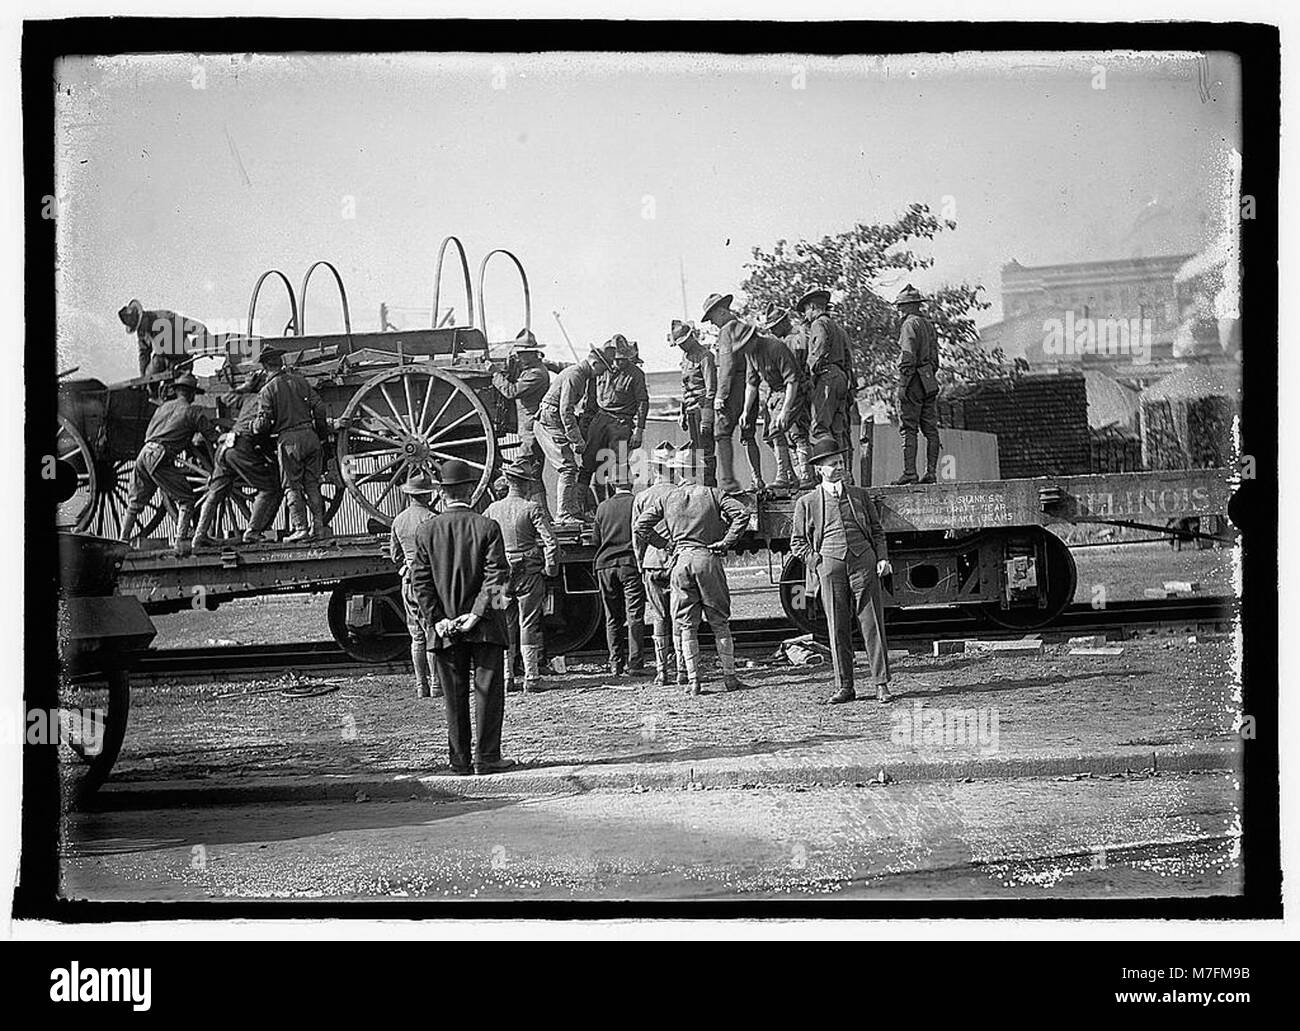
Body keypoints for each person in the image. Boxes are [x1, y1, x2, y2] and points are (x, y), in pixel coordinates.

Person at [409, 458, 514, 776]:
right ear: (471, 489)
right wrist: (477, 615)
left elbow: (420, 582)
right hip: (485, 628)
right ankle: (487, 757)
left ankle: (459, 761)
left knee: (453, 698)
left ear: (441, 493)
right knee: (489, 692)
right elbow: (499, 579)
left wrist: (437, 620)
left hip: (444, 629)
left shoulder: (426, 530)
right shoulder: (487, 527)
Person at [632, 445, 751, 695]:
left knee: (686, 624)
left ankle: (694, 680)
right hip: (707, 559)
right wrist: (726, 542)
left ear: (677, 470)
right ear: (699, 469)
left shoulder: (668, 498)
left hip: (679, 562)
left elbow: (641, 527)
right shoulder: (713, 494)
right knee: (719, 621)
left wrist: (666, 544)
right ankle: (730, 677)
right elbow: (742, 514)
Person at [790, 437, 894, 705]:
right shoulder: (807, 502)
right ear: (819, 469)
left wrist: (881, 558)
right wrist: (817, 562)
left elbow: (878, 531)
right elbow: (797, 542)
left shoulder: (859, 495)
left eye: (840, 462)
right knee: (836, 627)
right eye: (832, 464)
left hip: (863, 563)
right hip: (830, 566)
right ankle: (844, 686)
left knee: (872, 623)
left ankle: (881, 684)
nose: (839, 467)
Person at [484, 456, 559, 694]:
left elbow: (481, 542)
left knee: (504, 624)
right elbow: (551, 542)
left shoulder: (492, 509)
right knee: (529, 622)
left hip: (499, 576)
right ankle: (532, 677)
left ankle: (507, 678)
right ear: (526, 484)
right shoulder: (532, 508)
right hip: (529, 572)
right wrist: (550, 567)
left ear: (508, 481)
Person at [119, 372, 215, 552]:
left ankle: (123, 541)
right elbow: (211, 435)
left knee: (135, 501)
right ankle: (180, 541)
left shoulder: (162, 407)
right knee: (186, 498)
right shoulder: (193, 412)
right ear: (192, 394)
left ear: (178, 391)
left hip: (144, 453)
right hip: (160, 456)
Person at [191, 367, 283, 549]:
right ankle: (253, 532)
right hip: (242, 449)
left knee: (215, 492)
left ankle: (199, 535)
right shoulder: (269, 401)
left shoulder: (249, 398)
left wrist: (245, 386)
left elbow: (226, 399)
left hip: (225, 447)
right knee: (269, 488)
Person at [250, 346, 331, 541]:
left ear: (265, 366)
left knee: (292, 487)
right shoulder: (301, 381)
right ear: (280, 362)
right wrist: (321, 433)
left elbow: (263, 424)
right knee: (312, 484)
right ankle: (318, 527)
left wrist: (253, 427)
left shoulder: (267, 389)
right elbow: (319, 408)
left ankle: (300, 528)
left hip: (289, 442)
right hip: (311, 437)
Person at [534, 342, 614, 522]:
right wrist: (577, 439)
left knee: (570, 467)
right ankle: (564, 514)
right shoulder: (576, 376)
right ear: (594, 364)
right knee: (568, 468)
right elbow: (565, 410)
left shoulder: (579, 373)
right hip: (549, 421)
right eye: (603, 368)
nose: (603, 373)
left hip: (551, 419)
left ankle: (573, 511)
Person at [389, 468, 443, 699]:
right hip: (429, 581)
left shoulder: (399, 521)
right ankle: (437, 685)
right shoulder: (432, 519)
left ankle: (421, 685)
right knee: (433, 632)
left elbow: (394, 555)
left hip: (408, 580)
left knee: (416, 636)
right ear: (427, 495)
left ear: (410, 495)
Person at [632, 441, 682, 685]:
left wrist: (641, 561)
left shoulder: (642, 497)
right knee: (682, 616)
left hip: (652, 562)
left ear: (654, 469)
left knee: (659, 616)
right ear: (674, 469)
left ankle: (662, 672)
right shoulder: (682, 494)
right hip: (678, 561)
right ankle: (683, 668)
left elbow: (637, 535)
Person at [700, 292, 759, 493]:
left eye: (712, 318)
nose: (712, 324)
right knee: (748, 434)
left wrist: (720, 396)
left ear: (721, 312)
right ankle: (757, 479)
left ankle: (727, 483)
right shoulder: (745, 327)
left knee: (721, 433)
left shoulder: (726, 330)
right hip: (750, 385)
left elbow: (726, 365)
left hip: (733, 387)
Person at [741, 326, 811, 491]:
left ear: (753, 339)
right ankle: (791, 474)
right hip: (774, 394)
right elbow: (751, 384)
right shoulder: (750, 354)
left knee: (783, 431)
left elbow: (792, 381)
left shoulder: (775, 347)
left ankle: (797, 475)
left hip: (793, 391)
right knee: (768, 435)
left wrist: (786, 410)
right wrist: (745, 410)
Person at [592, 465, 647, 676]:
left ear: (612, 484)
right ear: (631, 482)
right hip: (629, 564)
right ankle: (635, 664)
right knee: (634, 615)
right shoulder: (636, 503)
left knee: (612, 617)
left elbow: (596, 540)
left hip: (605, 567)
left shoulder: (602, 507)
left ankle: (616, 664)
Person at [582, 335, 649, 503]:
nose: (619, 363)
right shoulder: (600, 370)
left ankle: (619, 506)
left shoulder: (636, 374)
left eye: (623, 359)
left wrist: (639, 431)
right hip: (600, 419)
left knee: (618, 468)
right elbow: (590, 399)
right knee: (590, 463)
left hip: (621, 424)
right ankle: (589, 508)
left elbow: (642, 402)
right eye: (616, 359)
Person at [796, 288, 855, 472]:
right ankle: (845, 473)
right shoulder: (838, 328)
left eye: (806, 310)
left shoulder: (818, 324)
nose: (806, 315)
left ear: (813, 307)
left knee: (820, 427)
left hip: (827, 377)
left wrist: (811, 374)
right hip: (842, 378)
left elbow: (819, 347)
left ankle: (829, 471)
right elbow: (848, 359)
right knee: (839, 429)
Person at [491, 329, 551, 503]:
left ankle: (520, 508)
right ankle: (542, 515)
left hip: (532, 433)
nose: (519, 358)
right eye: (519, 354)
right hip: (530, 431)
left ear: (533, 354)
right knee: (533, 475)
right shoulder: (530, 370)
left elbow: (511, 391)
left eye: (523, 354)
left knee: (521, 472)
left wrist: (494, 374)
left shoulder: (536, 374)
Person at [894, 284, 942, 484]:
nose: (898, 310)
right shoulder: (928, 325)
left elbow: (908, 358)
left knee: (908, 428)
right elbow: (935, 360)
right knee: (930, 429)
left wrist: (903, 385)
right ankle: (930, 472)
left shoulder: (909, 325)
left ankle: (910, 472)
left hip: (913, 381)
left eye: (900, 306)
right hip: (928, 380)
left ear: (907, 306)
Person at [119, 299, 210, 391]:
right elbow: (143, 354)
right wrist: (143, 379)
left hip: (181, 359)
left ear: (143, 316)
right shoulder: (142, 331)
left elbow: (199, 328)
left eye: (140, 325)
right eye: (137, 328)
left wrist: (207, 345)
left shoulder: (166, 318)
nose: (141, 329)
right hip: (161, 359)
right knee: (149, 380)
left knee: (181, 388)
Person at [670, 320, 718, 488]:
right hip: (690, 408)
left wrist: (707, 417)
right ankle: (697, 486)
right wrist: (682, 412)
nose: (681, 347)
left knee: (706, 450)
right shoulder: (685, 357)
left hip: (702, 406)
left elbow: (711, 388)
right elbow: (684, 387)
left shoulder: (705, 356)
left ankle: (710, 487)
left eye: (683, 342)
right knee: (695, 451)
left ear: (691, 337)